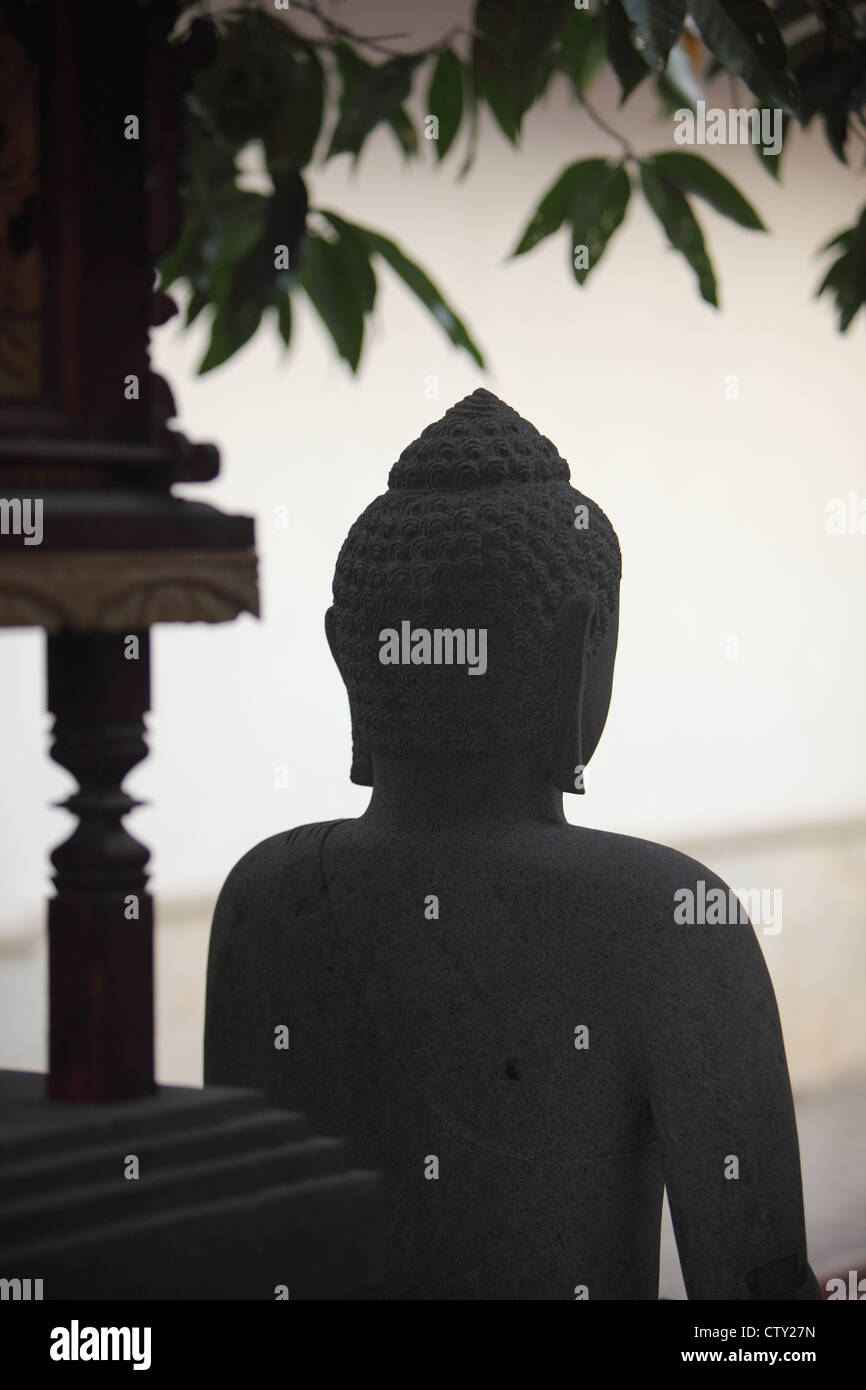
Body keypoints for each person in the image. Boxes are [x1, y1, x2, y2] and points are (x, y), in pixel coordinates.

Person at [205, 388, 818, 1300]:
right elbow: (761, 1310)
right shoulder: (668, 920)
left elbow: (238, 1261)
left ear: (349, 653)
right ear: (581, 648)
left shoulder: (259, 898)